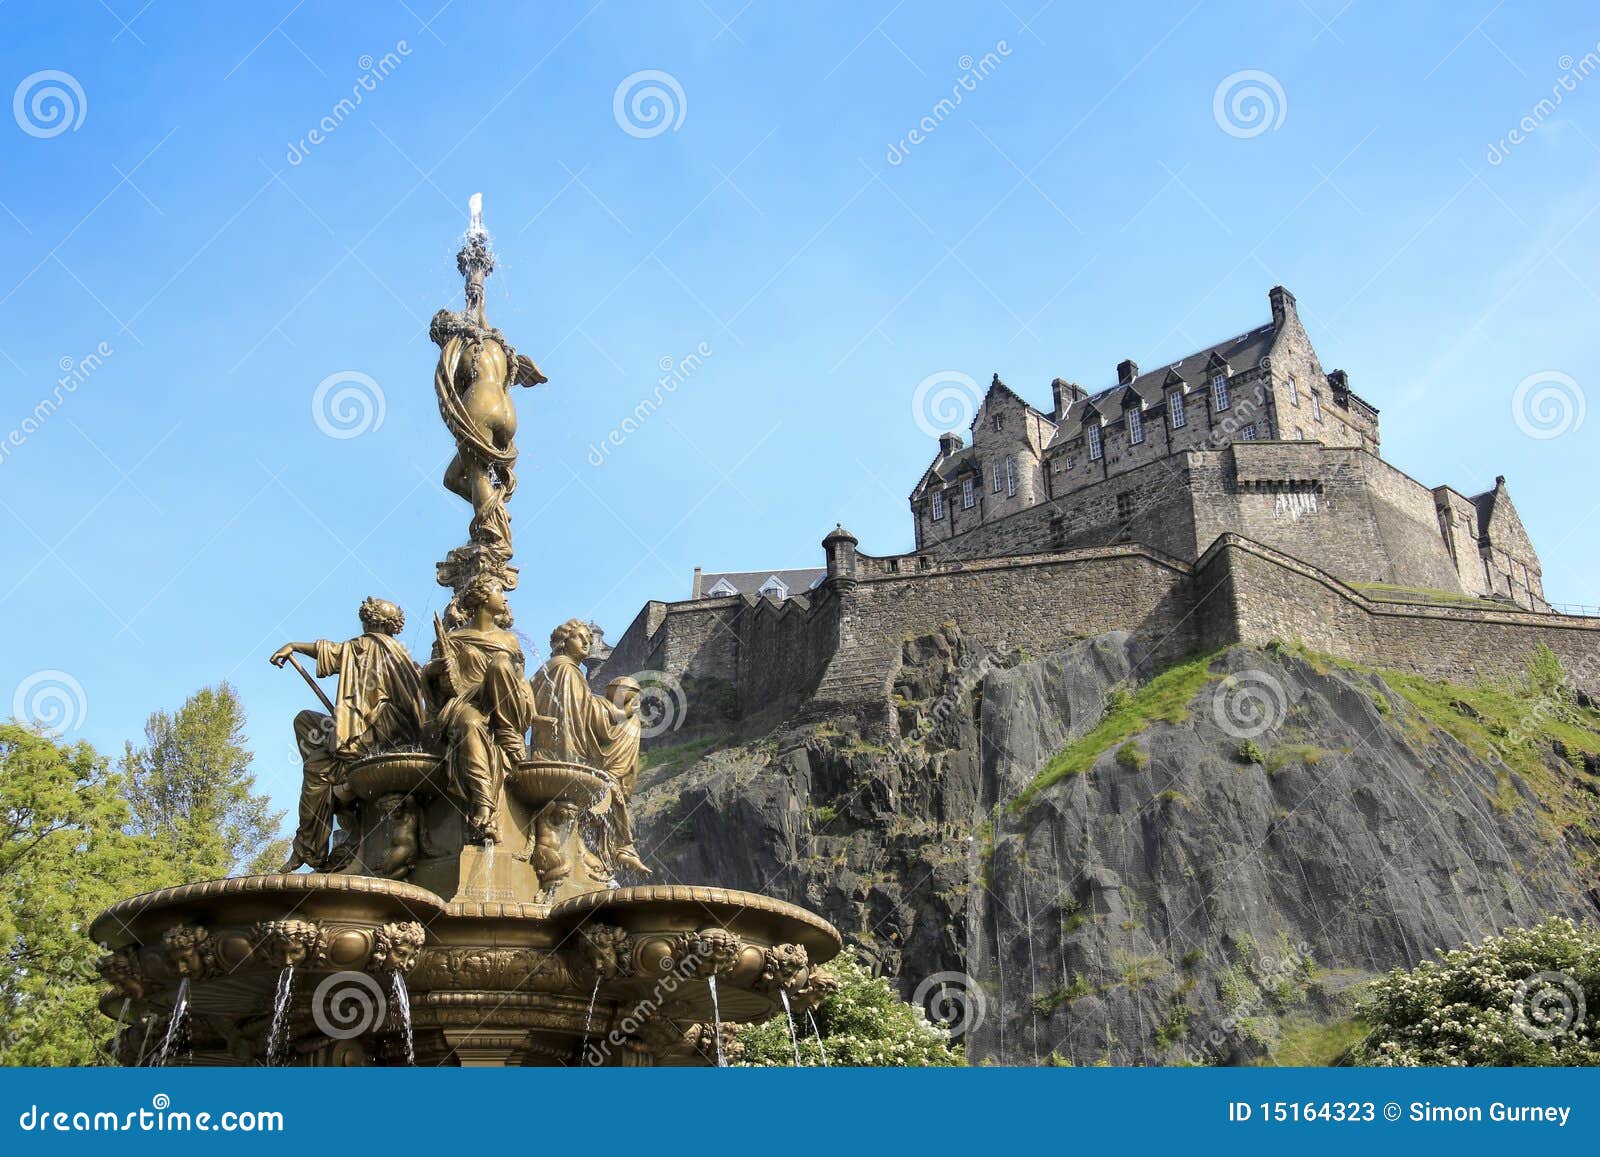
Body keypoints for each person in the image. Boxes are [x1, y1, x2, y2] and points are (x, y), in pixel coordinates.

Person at [270, 597, 424, 873]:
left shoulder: (366, 646)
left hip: (372, 737)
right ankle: (331, 766)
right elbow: (332, 651)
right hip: (384, 735)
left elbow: (330, 650)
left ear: (371, 622)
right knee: (307, 721)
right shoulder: (402, 656)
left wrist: (293, 646)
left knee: (316, 772)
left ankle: (309, 849)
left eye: (369, 619)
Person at [529, 619, 648, 874]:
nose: (586, 642)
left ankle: (613, 846)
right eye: (580, 637)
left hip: (547, 752)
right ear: (563, 642)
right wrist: (625, 710)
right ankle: (619, 844)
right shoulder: (566, 671)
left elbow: (582, 707)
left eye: (588, 639)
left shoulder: (554, 670)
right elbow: (583, 715)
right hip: (562, 755)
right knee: (631, 725)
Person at [424, 575, 532, 844]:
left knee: (500, 664)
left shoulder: (509, 641)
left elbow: (520, 683)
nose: (505, 597)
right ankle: (483, 806)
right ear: (483, 597)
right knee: (470, 724)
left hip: (504, 705)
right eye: (499, 591)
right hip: (467, 703)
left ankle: (508, 734)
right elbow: (434, 682)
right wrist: (436, 669)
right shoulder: (454, 638)